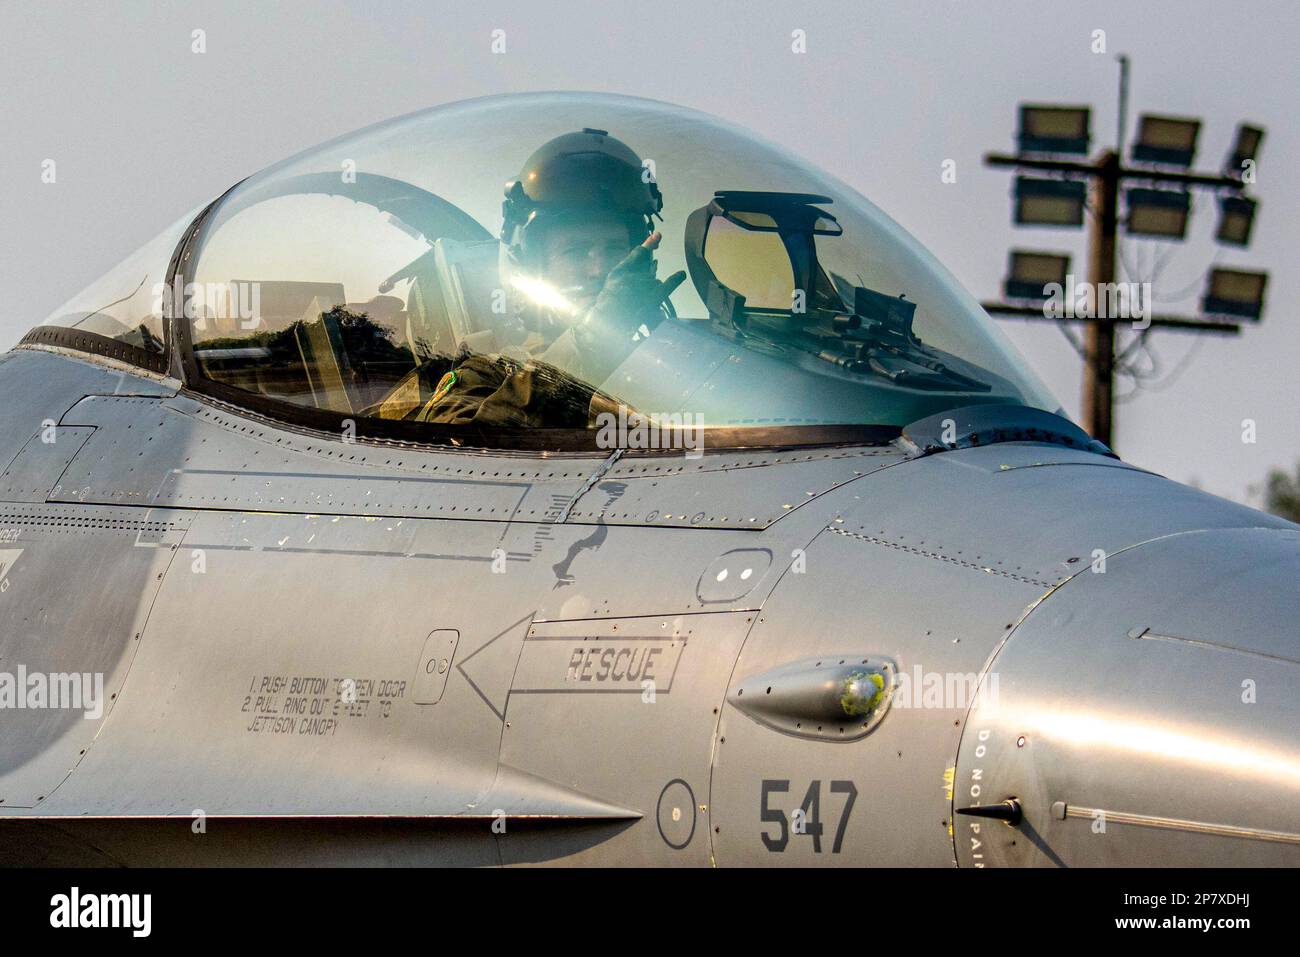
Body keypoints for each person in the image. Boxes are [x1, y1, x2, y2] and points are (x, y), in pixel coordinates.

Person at [412, 128, 685, 428]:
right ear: (533, 266)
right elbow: (461, 446)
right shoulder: (487, 373)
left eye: (615, 249)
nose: (598, 269)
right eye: (576, 251)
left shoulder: (667, 366)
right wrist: (592, 342)